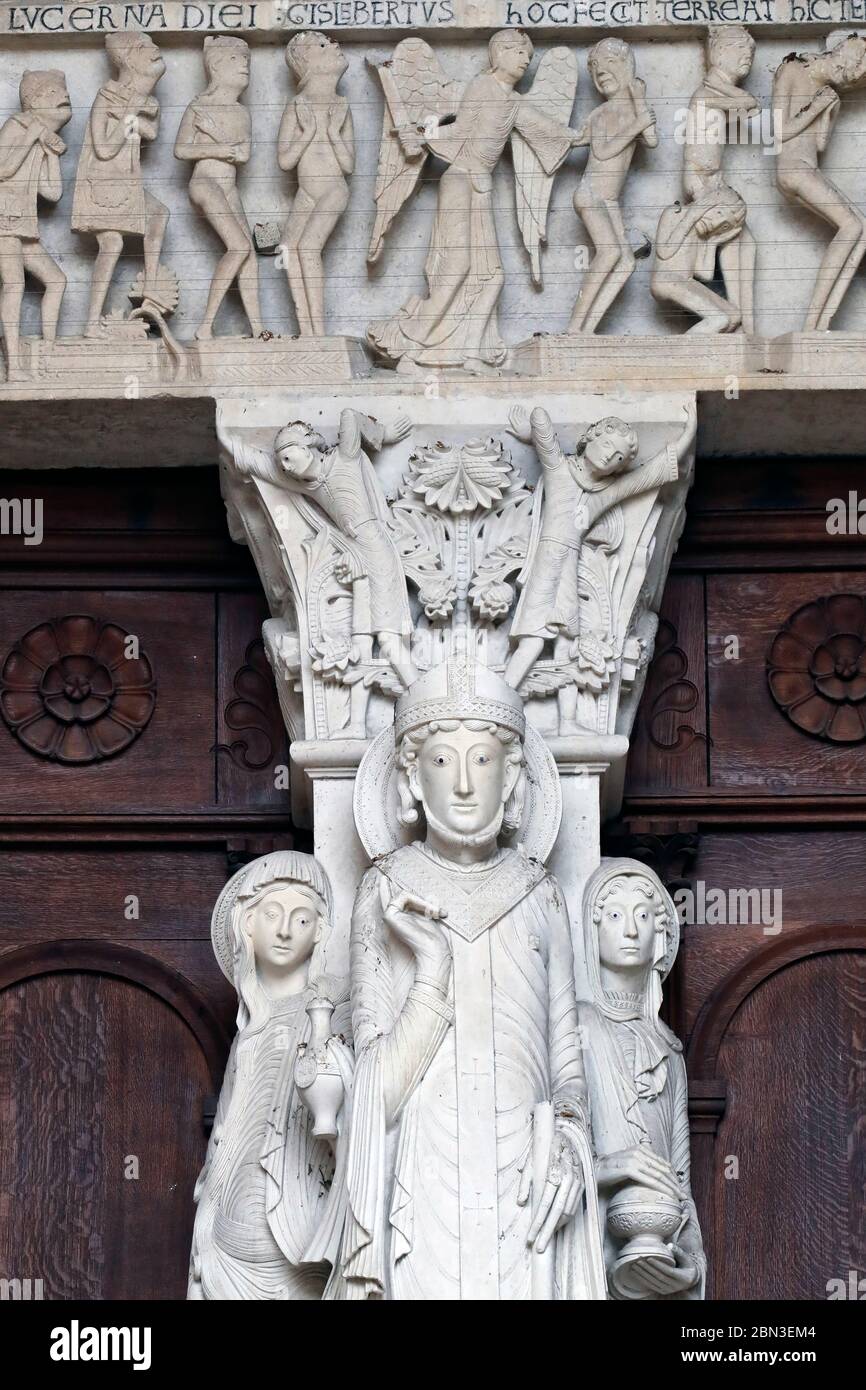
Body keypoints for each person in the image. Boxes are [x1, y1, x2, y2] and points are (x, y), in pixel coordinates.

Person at [336, 658, 606, 1300]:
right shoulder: (387, 889)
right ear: (410, 777)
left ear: (512, 774)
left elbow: (566, 1061)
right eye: (440, 761)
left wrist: (568, 1139)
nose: (462, 784)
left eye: (482, 761)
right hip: (422, 1176)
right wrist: (431, 973)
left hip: (525, 1176)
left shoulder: (540, 895)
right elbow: (374, 1090)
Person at [188, 851, 353, 1300]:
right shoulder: (250, 1028)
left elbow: (352, 1125)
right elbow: (225, 1135)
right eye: (272, 914)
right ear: (247, 923)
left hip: (293, 1241)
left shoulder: (334, 1014)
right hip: (224, 1237)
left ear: (320, 931)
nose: (284, 930)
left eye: (301, 920)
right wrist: (207, 1223)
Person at [505, 403, 694, 730]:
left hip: (569, 570)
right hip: (547, 564)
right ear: (589, 437)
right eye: (607, 445)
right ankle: (503, 696)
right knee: (534, 638)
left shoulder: (601, 496)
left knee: (568, 643)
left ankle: (567, 723)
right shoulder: (559, 471)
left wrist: (690, 430)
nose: (610, 457)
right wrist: (535, 436)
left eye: (619, 457)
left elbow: (651, 475)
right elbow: (540, 416)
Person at [575, 859, 706, 1299]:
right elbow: (529, 1157)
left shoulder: (668, 1050)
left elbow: (679, 1185)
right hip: (589, 1255)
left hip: (655, 1259)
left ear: (661, 935)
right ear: (592, 931)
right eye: (614, 915)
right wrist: (606, 1168)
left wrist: (687, 1268)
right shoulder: (576, 1030)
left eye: (643, 916)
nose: (630, 930)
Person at [72, 33, 169, 336]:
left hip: (126, 180)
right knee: (112, 244)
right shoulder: (108, 94)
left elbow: (150, 132)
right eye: (144, 47)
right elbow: (103, 148)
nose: (155, 49)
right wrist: (131, 117)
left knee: (158, 214)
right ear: (128, 59)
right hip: (102, 180)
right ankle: (90, 323)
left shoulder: (144, 100)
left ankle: (150, 292)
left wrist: (136, 115)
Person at [174, 37, 263, 340]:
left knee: (248, 254)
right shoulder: (199, 106)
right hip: (205, 182)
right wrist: (225, 148)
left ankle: (258, 327)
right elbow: (181, 150)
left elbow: (243, 154)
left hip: (229, 186)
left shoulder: (241, 112)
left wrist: (215, 136)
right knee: (238, 246)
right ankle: (205, 326)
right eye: (237, 59)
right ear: (215, 66)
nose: (245, 65)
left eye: (247, 59)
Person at [569, 38, 657, 335]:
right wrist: (639, 121)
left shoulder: (632, 110)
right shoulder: (601, 113)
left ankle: (586, 331)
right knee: (608, 254)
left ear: (626, 68)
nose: (601, 74)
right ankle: (573, 329)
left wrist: (639, 102)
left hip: (608, 201)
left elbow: (652, 140)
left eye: (610, 66)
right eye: (596, 72)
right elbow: (604, 151)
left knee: (625, 263)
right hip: (591, 195)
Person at [278, 34, 354, 338]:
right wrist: (308, 131)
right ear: (307, 64)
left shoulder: (341, 106)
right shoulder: (297, 105)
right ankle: (307, 331)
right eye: (323, 46)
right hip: (306, 193)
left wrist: (333, 132)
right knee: (287, 248)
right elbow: (285, 161)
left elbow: (348, 166)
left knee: (308, 248)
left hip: (333, 190)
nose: (335, 44)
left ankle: (319, 333)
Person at [0, 70, 70, 382]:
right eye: (55, 93)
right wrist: (33, 136)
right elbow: (2, 168)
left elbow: (52, 192)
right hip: (3, 219)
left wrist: (51, 154)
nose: (64, 98)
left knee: (56, 280)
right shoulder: (17, 125)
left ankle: (50, 355)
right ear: (34, 101)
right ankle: (14, 366)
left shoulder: (39, 137)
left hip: (23, 222)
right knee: (14, 285)